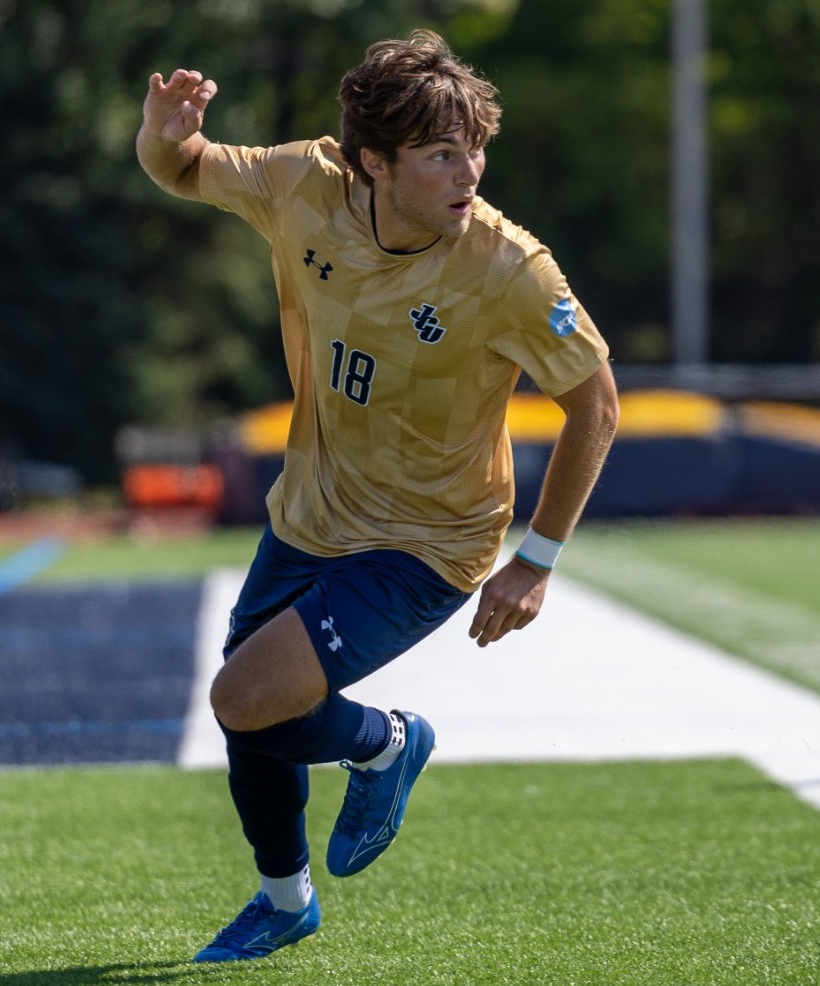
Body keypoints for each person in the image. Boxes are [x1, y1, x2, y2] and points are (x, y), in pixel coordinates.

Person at [137, 31, 619, 962]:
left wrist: (538, 560)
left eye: (474, 148)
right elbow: (184, 167)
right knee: (254, 713)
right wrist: (163, 131)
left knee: (244, 696)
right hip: (312, 510)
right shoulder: (303, 186)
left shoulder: (510, 268)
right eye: (442, 154)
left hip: (429, 539)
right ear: (371, 164)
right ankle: (285, 902)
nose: (468, 172)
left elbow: (595, 408)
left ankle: (388, 745)